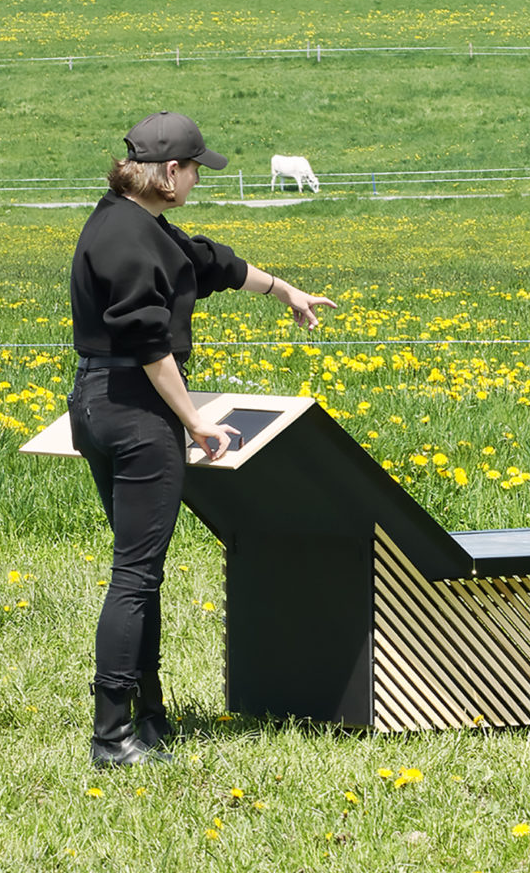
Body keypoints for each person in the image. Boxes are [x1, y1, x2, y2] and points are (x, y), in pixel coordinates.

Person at [69, 109, 334, 768]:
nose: (195, 181)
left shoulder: (126, 222)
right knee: (134, 575)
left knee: (140, 568)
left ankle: (148, 717)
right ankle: (112, 737)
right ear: (166, 172)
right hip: (135, 412)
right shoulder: (129, 240)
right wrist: (193, 421)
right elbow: (150, 344)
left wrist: (284, 290)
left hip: (99, 404)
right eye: (191, 170)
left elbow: (206, 262)